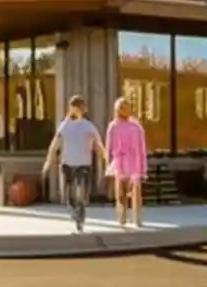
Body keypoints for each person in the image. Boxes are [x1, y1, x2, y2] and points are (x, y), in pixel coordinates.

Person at [42, 95, 106, 233]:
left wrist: (104, 161)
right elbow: (55, 144)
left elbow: (99, 145)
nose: (76, 109)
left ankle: (80, 221)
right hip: (67, 165)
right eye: (74, 106)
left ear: (83, 109)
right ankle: (75, 214)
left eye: (79, 107)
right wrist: (48, 161)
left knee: (81, 195)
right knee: (67, 195)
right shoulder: (64, 125)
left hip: (83, 165)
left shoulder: (88, 126)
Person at [105, 96, 148, 228]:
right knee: (121, 192)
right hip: (120, 162)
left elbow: (142, 147)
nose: (123, 109)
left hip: (135, 162)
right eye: (121, 107)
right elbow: (109, 146)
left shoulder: (136, 126)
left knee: (136, 191)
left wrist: (143, 167)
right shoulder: (113, 126)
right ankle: (122, 217)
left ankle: (137, 218)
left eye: (126, 106)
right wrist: (108, 164)